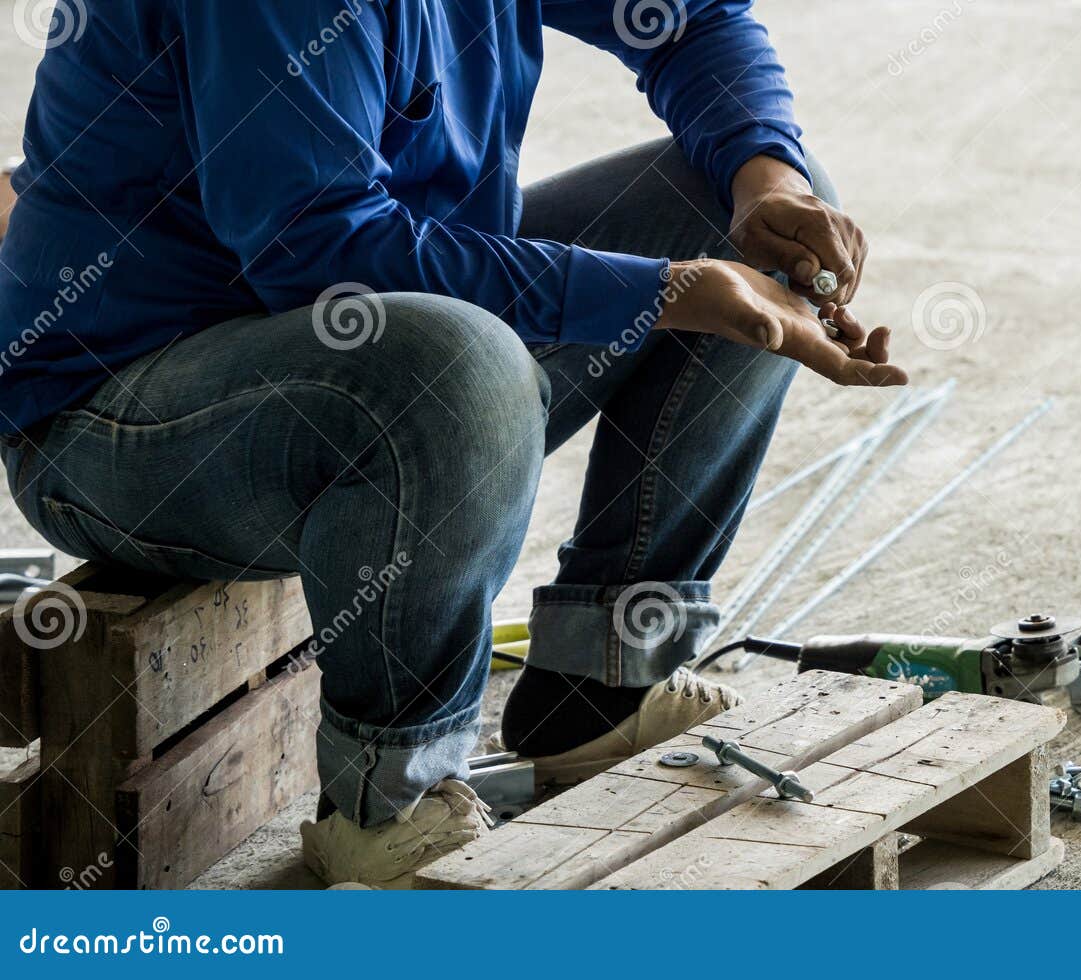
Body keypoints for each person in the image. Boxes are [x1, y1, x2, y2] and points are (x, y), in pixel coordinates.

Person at [0, 1, 908, 887]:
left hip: (365, 365)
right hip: (125, 420)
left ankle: (602, 682)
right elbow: (322, 254)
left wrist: (769, 177)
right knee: (463, 357)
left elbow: (688, 16)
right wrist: (669, 292)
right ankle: (386, 803)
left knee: (741, 220)